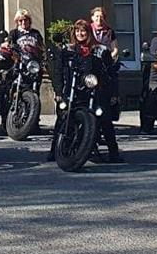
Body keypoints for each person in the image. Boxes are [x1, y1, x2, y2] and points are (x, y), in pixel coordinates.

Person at [47, 19, 121, 163]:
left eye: (84, 31)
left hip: (94, 91)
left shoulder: (99, 50)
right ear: (74, 33)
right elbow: (58, 72)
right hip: (72, 91)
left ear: (89, 33)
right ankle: (54, 151)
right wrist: (59, 93)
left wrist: (113, 93)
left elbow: (110, 72)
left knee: (104, 117)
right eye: (78, 31)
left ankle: (114, 152)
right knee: (62, 118)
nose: (81, 34)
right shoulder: (67, 50)